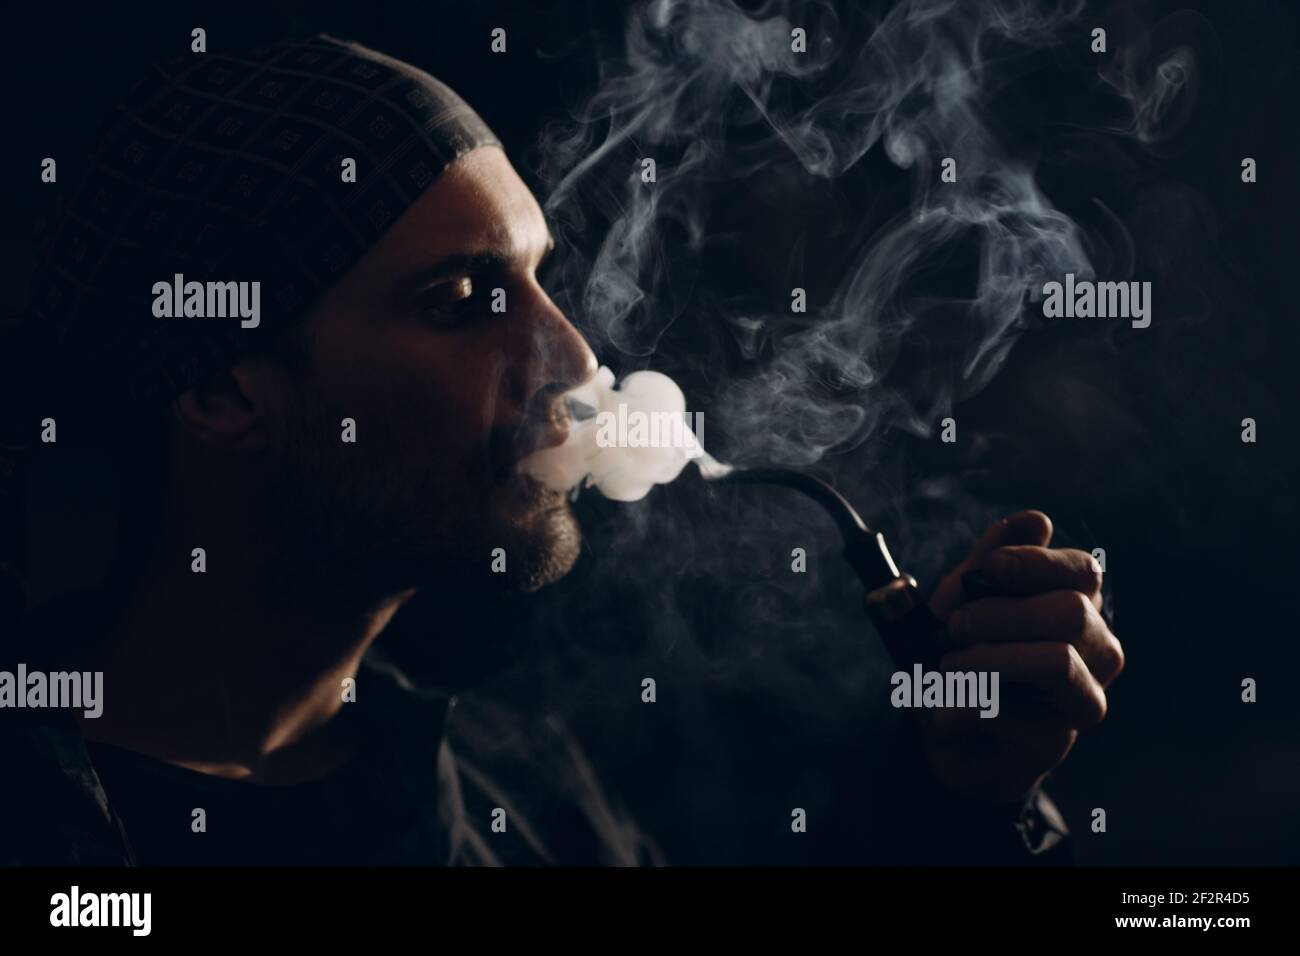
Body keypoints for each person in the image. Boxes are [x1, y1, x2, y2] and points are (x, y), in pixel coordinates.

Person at [0, 33, 1122, 866]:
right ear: (221, 389)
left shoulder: (536, 804)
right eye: (462, 300)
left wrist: (962, 801)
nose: (575, 356)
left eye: (540, 282)